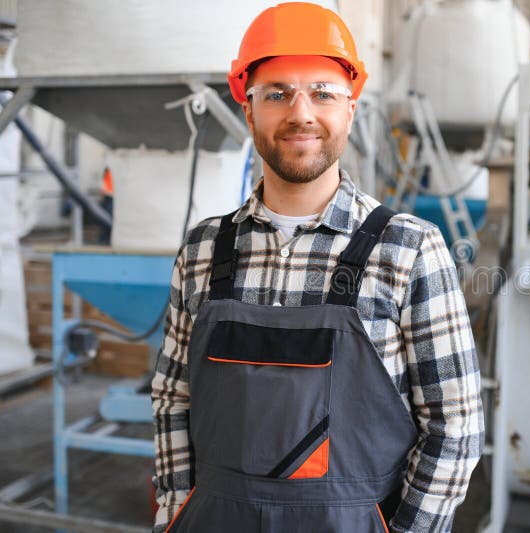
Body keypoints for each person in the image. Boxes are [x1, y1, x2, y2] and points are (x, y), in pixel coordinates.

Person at [150, 3, 483, 532]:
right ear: (249, 111)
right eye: (276, 93)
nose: (301, 112)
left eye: (323, 93)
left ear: (349, 111)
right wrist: (175, 513)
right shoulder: (203, 249)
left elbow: (455, 426)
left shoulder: (408, 249)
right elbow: (172, 397)